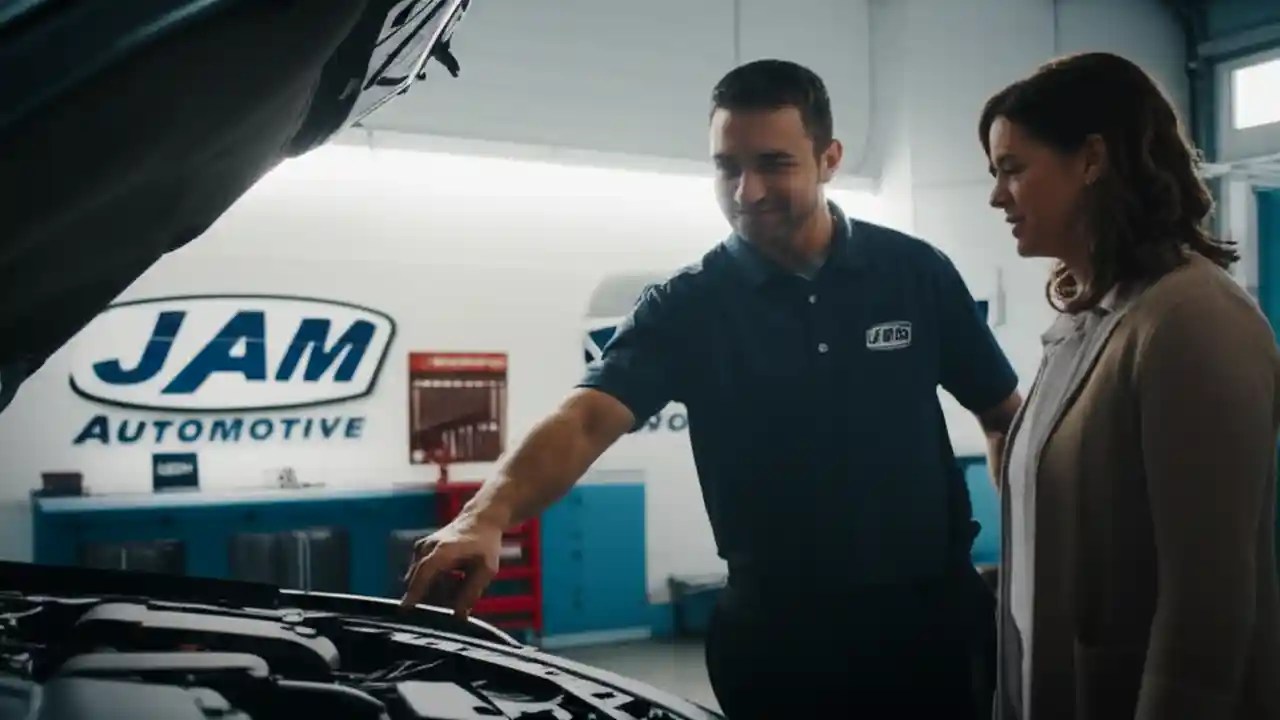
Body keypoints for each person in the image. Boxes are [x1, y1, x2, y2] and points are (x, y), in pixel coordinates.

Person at [403, 58, 1022, 718]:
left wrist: (1034, 551)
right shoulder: (690, 304)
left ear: (830, 158)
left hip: (930, 624)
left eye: (774, 163)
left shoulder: (913, 274)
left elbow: (1003, 418)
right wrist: (485, 515)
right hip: (779, 637)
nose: (747, 191)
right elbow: (586, 418)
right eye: (727, 167)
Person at [981, 51, 1280, 720]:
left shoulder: (1191, 320)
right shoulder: (1087, 319)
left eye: (1013, 170)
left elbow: (1207, 607)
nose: (997, 196)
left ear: (1091, 160)